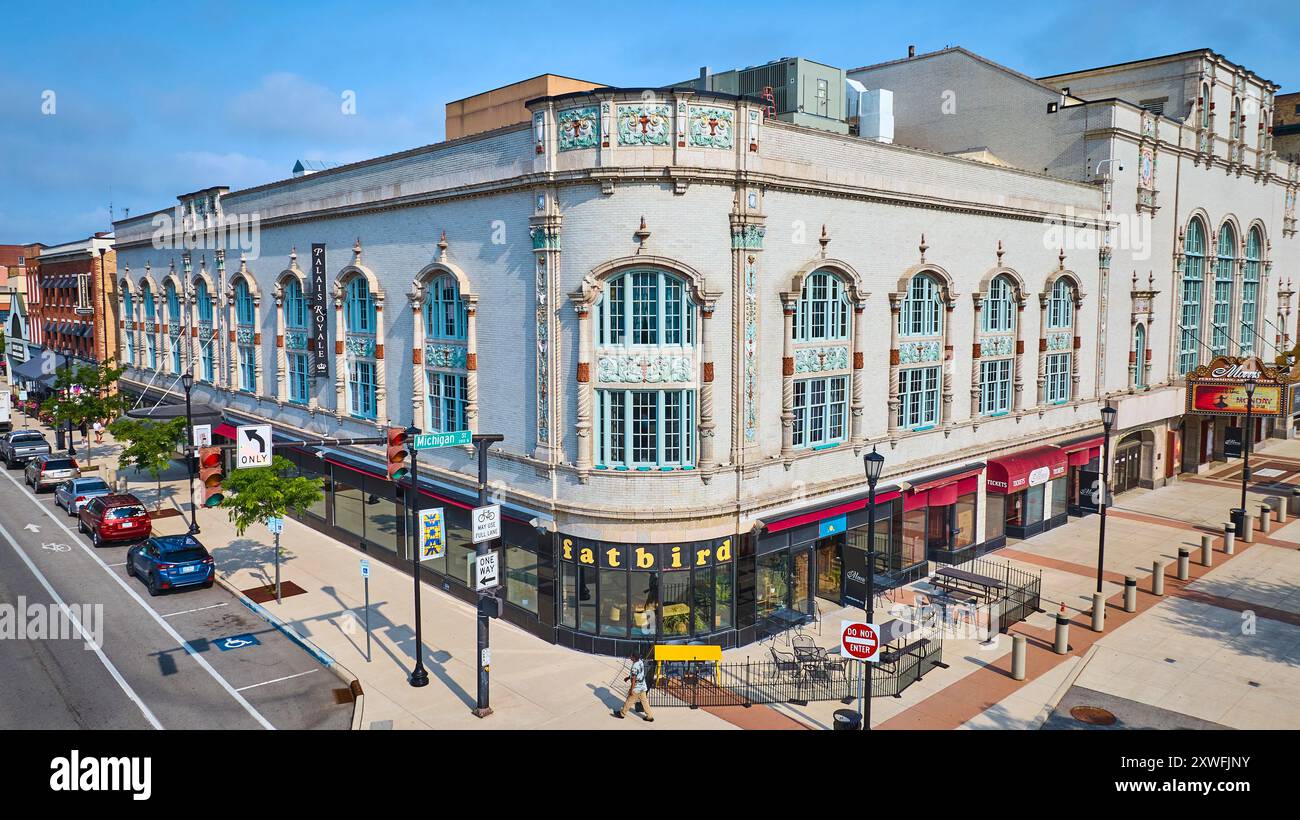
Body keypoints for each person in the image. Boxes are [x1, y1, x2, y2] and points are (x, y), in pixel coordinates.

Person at [612, 652, 654, 722]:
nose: (630, 657)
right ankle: (650, 717)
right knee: (645, 702)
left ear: (634, 658)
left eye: (631, 656)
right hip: (643, 686)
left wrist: (631, 690)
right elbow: (638, 673)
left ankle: (622, 714)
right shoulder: (640, 661)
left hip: (636, 688)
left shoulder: (634, 666)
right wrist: (628, 677)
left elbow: (634, 679)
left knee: (629, 701)